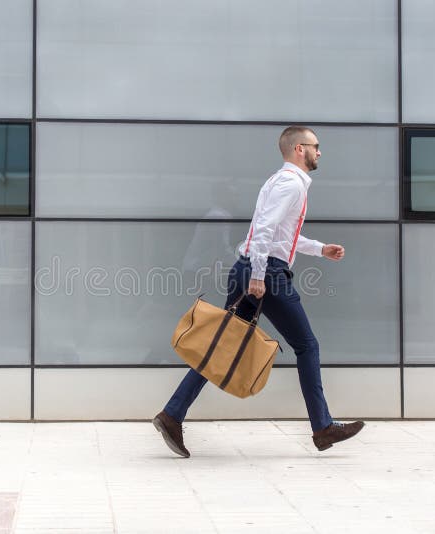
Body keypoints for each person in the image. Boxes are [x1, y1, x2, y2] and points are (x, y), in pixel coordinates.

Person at [153, 126, 364, 457]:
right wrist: (259, 274)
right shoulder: (291, 184)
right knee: (307, 345)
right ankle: (322, 428)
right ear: (299, 149)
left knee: (224, 343)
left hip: (255, 267)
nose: (319, 152)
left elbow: (280, 234)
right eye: (315, 146)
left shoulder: (282, 182)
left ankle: (172, 414)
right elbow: (264, 230)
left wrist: (320, 249)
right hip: (265, 273)